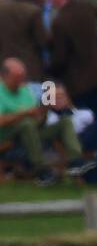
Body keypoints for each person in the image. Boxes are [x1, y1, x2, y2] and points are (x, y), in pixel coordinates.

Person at [0, 57, 92, 185]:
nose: (21, 81)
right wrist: (24, 113)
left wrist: (43, 111)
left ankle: (76, 161)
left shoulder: (24, 89)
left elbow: (35, 117)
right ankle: (40, 168)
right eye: (18, 78)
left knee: (65, 121)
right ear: (5, 76)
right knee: (26, 124)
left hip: (31, 132)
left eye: (23, 77)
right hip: (6, 136)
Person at [46, 0, 97, 112]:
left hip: (76, 83)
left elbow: (60, 57)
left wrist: (48, 71)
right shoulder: (85, 8)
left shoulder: (60, 21)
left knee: (78, 119)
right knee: (96, 116)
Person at [0, 0, 47, 82]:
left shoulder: (2, 7)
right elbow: (44, 42)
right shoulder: (34, 11)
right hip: (29, 70)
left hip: (5, 69)